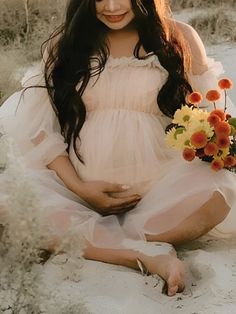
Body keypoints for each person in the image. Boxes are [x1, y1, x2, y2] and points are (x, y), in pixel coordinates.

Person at [0, 0, 236, 297]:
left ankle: (97, 238)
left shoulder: (180, 38)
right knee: (7, 201)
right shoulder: (66, 44)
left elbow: (213, 115)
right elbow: (41, 131)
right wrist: (80, 187)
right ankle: (144, 254)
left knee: (219, 191)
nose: (111, 6)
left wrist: (217, 146)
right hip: (79, 193)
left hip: (160, 191)